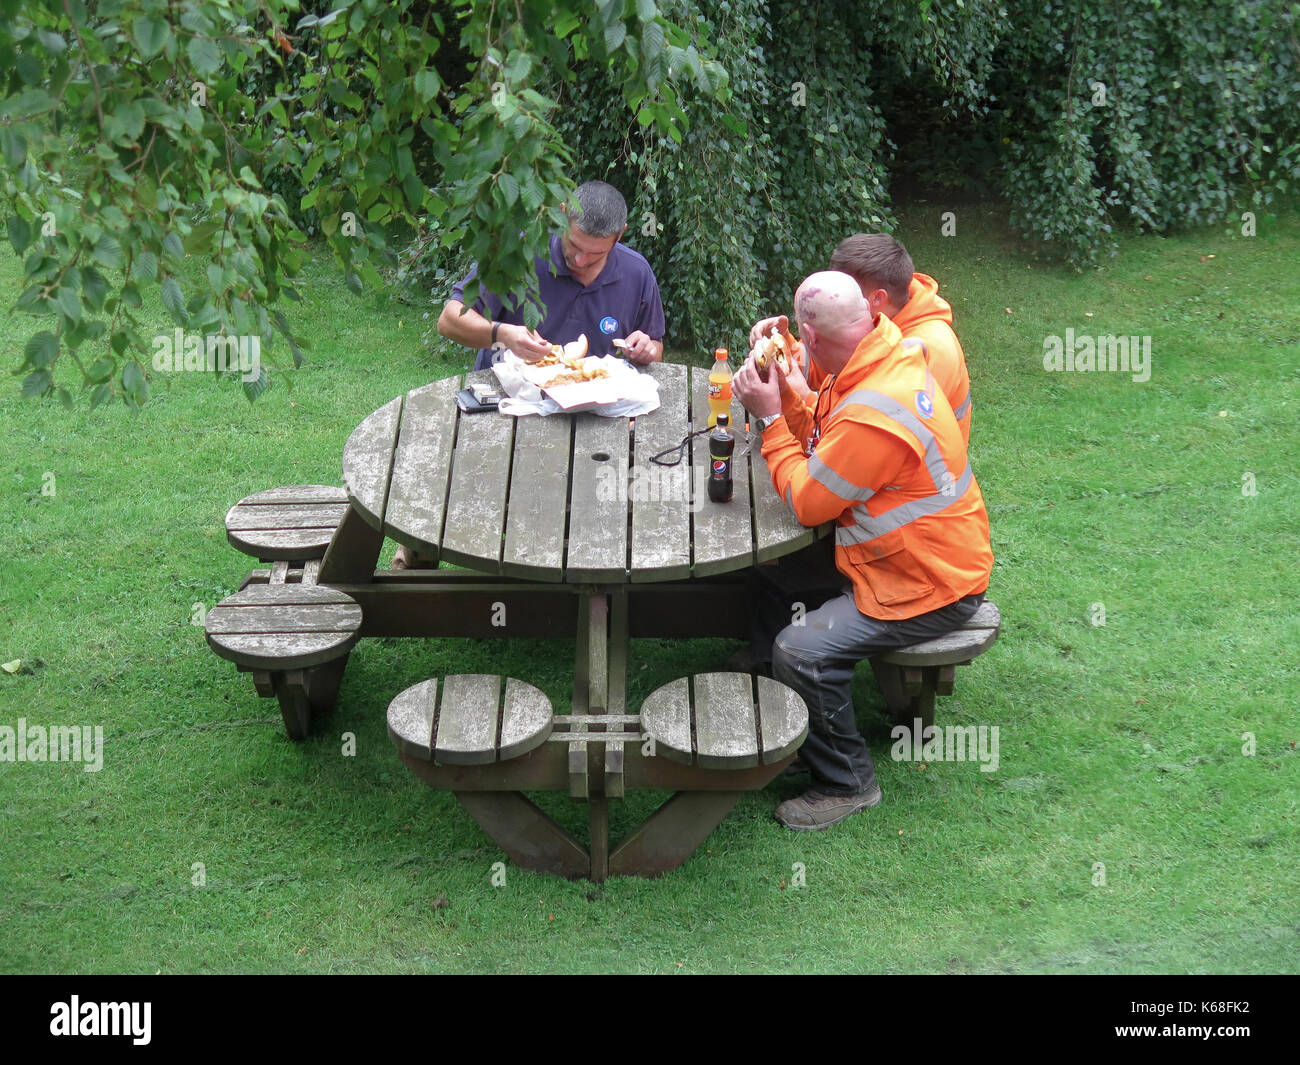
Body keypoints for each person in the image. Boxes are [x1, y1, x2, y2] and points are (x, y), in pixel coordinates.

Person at [731, 271, 993, 831]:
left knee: (803, 651)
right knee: (770, 573)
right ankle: (787, 720)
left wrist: (772, 416)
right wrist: (790, 381)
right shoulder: (880, 351)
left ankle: (846, 781)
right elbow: (828, 439)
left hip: (929, 583)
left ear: (814, 335)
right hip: (899, 556)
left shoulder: (878, 406)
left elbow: (807, 499)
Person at [750, 233, 972, 445]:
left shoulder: (927, 350)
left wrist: (805, 398)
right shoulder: (883, 316)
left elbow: (867, 428)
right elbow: (828, 366)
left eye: (849, 289)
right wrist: (781, 348)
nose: (839, 295)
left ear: (877, 297)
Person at [438, 179, 666, 370]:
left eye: (596, 253)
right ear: (562, 214)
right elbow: (449, 320)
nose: (580, 260)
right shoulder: (518, 253)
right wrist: (502, 333)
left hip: (592, 409)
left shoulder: (637, 273)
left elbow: (655, 348)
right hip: (508, 402)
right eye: (574, 245)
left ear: (620, 235)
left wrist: (647, 350)